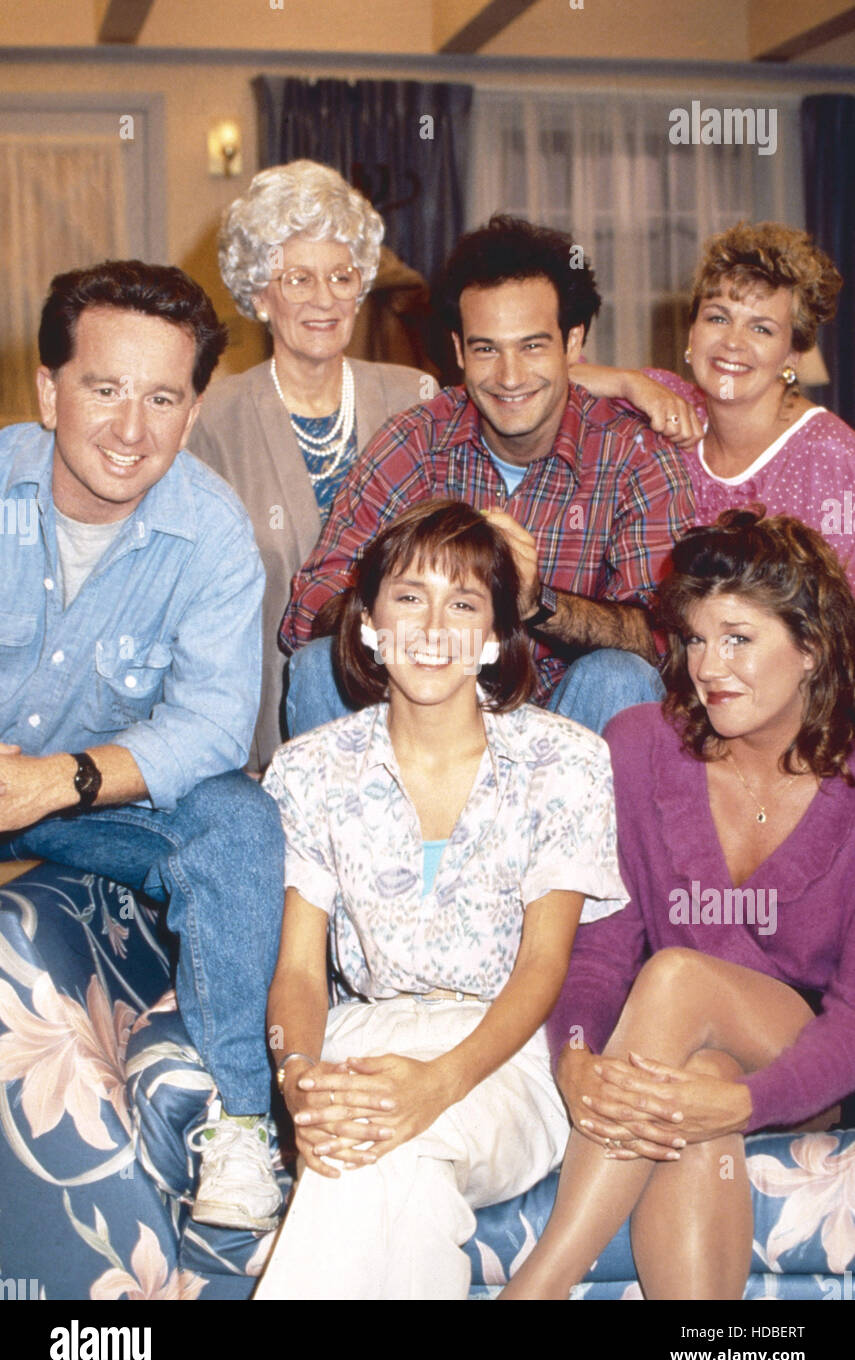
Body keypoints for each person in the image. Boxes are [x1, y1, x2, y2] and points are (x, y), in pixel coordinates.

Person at [254, 499, 628, 1300]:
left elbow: (542, 969)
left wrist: (437, 1083)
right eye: (408, 597)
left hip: (505, 1054)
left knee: (377, 1145)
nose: (432, 626)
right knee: (368, 1151)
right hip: (363, 1036)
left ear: (494, 634)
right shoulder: (309, 770)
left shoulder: (564, 761)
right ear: (366, 624)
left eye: (462, 603)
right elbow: (298, 973)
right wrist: (297, 1081)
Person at [502, 509, 855, 1301]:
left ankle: (536, 1289)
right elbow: (596, 953)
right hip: (676, 1052)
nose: (709, 666)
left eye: (737, 638)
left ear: (809, 649)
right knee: (689, 1089)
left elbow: (853, 1021)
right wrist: (577, 1056)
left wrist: (744, 1099)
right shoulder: (638, 745)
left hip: (804, 1064)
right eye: (695, 639)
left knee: (676, 979)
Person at [0, 261, 285, 1231]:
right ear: (49, 388)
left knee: (238, 816)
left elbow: (211, 722)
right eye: (105, 388)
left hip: (91, 804)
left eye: (162, 397)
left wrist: (58, 783)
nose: (131, 429)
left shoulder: (210, 532)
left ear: (195, 405)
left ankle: (245, 1125)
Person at [280, 215, 695, 740]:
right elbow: (309, 608)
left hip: (561, 730)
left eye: (532, 346)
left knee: (620, 676)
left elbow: (669, 640)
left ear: (573, 344)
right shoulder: (417, 439)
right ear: (458, 351)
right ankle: (364, 823)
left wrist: (538, 605)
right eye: (486, 349)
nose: (510, 376)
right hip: (417, 715)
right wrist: (415, 610)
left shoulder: (634, 453)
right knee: (321, 663)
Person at [189, 161, 435, 771]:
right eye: (298, 279)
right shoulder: (213, 418)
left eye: (341, 276)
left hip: (417, 706)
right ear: (259, 295)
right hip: (273, 730)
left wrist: (630, 384)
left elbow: (516, 387)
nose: (324, 299)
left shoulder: (418, 397)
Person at [571, 221, 855, 581]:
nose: (732, 342)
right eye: (718, 318)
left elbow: (843, 613)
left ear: (793, 355)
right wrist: (629, 383)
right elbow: (533, 375)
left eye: (761, 328)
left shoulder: (831, 454)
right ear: (692, 332)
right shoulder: (665, 400)